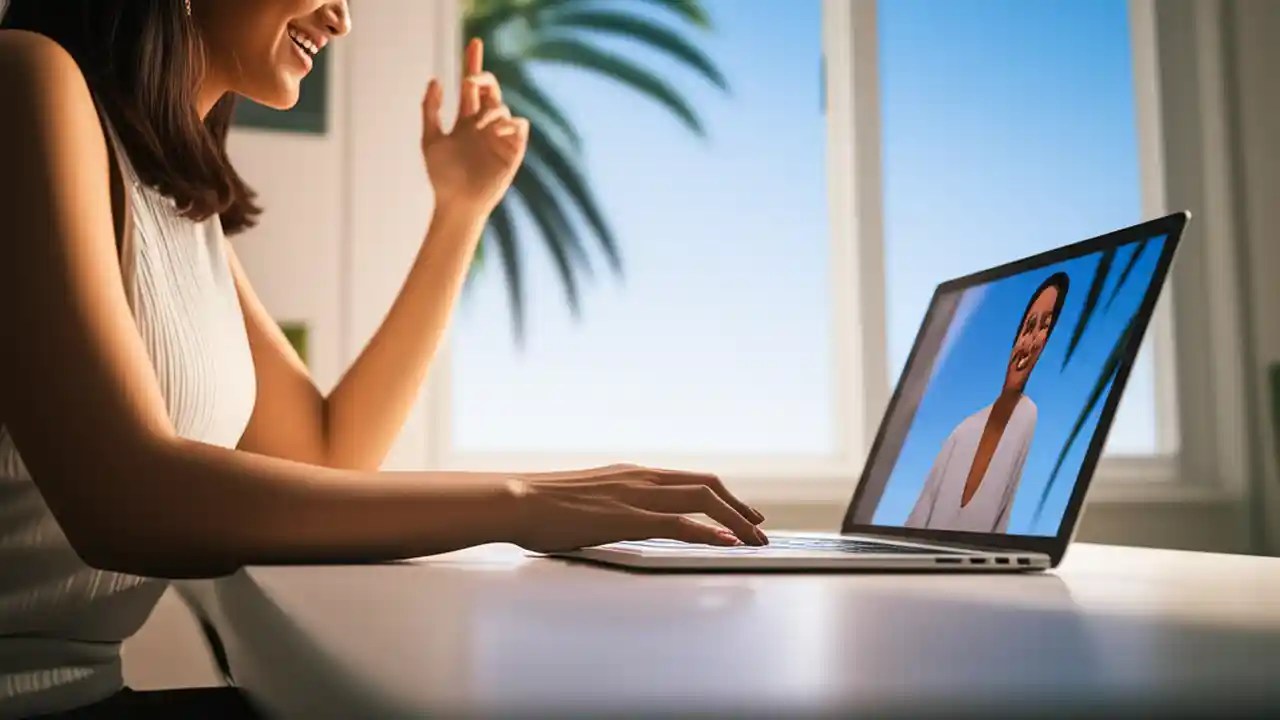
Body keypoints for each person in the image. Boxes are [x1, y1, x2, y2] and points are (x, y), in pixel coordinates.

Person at [0, 1, 768, 716]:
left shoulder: (173, 198)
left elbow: (328, 454)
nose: (340, 17)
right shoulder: (25, 75)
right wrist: (521, 502)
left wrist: (461, 211)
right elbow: (125, 503)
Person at [905, 272, 1070, 534]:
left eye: (1044, 328)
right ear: (1015, 338)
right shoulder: (963, 431)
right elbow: (916, 521)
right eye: (1028, 328)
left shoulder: (1027, 415)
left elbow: (1002, 519)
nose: (1031, 341)